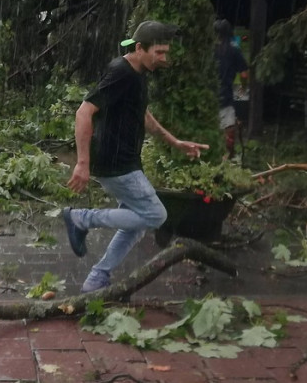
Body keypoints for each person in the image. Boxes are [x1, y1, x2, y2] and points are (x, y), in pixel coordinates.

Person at [62, 21, 210, 293]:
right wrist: (82, 163)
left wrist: (175, 142)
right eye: (160, 52)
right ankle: (81, 218)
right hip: (116, 163)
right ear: (140, 48)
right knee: (155, 215)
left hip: (125, 160)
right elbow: (83, 112)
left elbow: (143, 116)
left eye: (167, 52)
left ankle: (97, 278)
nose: (165, 59)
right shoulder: (122, 72)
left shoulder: (137, 72)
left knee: (136, 223)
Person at [214, 19, 248, 160]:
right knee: (228, 126)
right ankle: (229, 155)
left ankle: (215, 155)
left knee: (214, 126)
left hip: (209, 93)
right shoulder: (234, 49)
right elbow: (244, 73)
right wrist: (243, 87)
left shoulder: (210, 49)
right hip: (226, 92)